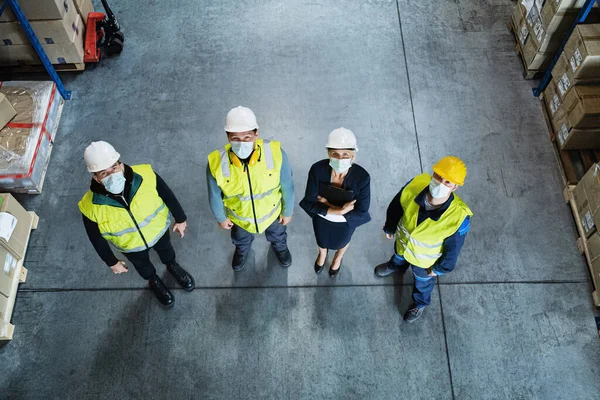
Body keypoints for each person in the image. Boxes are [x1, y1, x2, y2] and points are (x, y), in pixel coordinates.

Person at [79, 141, 194, 307]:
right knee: (142, 265)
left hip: (158, 231)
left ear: (121, 165)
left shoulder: (145, 175)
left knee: (167, 250)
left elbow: (167, 195)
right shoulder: (89, 206)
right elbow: (95, 238)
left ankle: (172, 265)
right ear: (95, 178)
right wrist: (111, 261)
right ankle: (153, 279)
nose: (111, 174)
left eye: (114, 168)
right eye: (104, 173)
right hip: (131, 246)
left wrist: (180, 218)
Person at [374, 156, 472, 322]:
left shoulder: (459, 217)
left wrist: (440, 269)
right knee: (399, 257)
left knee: (423, 284)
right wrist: (390, 226)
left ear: (455, 187)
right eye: (438, 176)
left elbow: (453, 250)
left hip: (424, 262)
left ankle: (419, 304)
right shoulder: (415, 185)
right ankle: (396, 267)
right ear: (433, 173)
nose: (440, 183)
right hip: (404, 245)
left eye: (447, 182)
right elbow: (396, 205)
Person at [207, 106, 294, 271]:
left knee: (278, 234)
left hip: (272, 213)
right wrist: (221, 218)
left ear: (256, 134)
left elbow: (287, 186)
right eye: (235, 138)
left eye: (247, 137)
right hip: (240, 219)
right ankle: (242, 251)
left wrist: (287, 211)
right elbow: (214, 195)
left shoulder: (276, 153)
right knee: (241, 238)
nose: (241, 143)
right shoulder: (216, 163)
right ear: (228, 137)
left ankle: (280, 248)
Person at [299, 128, 371, 277]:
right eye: (335, 154)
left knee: (342, 242)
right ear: (328, 154)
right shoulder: (317, 169)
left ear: (353, 155)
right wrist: (340, 210)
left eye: (345, 154)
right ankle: (322, 254)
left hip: (345, 222)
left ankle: (338, 256)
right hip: (324, 218)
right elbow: (309, 202)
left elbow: (361, 211)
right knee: (321, 239)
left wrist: (327, 204)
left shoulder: (362, 177)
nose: (340, 158)